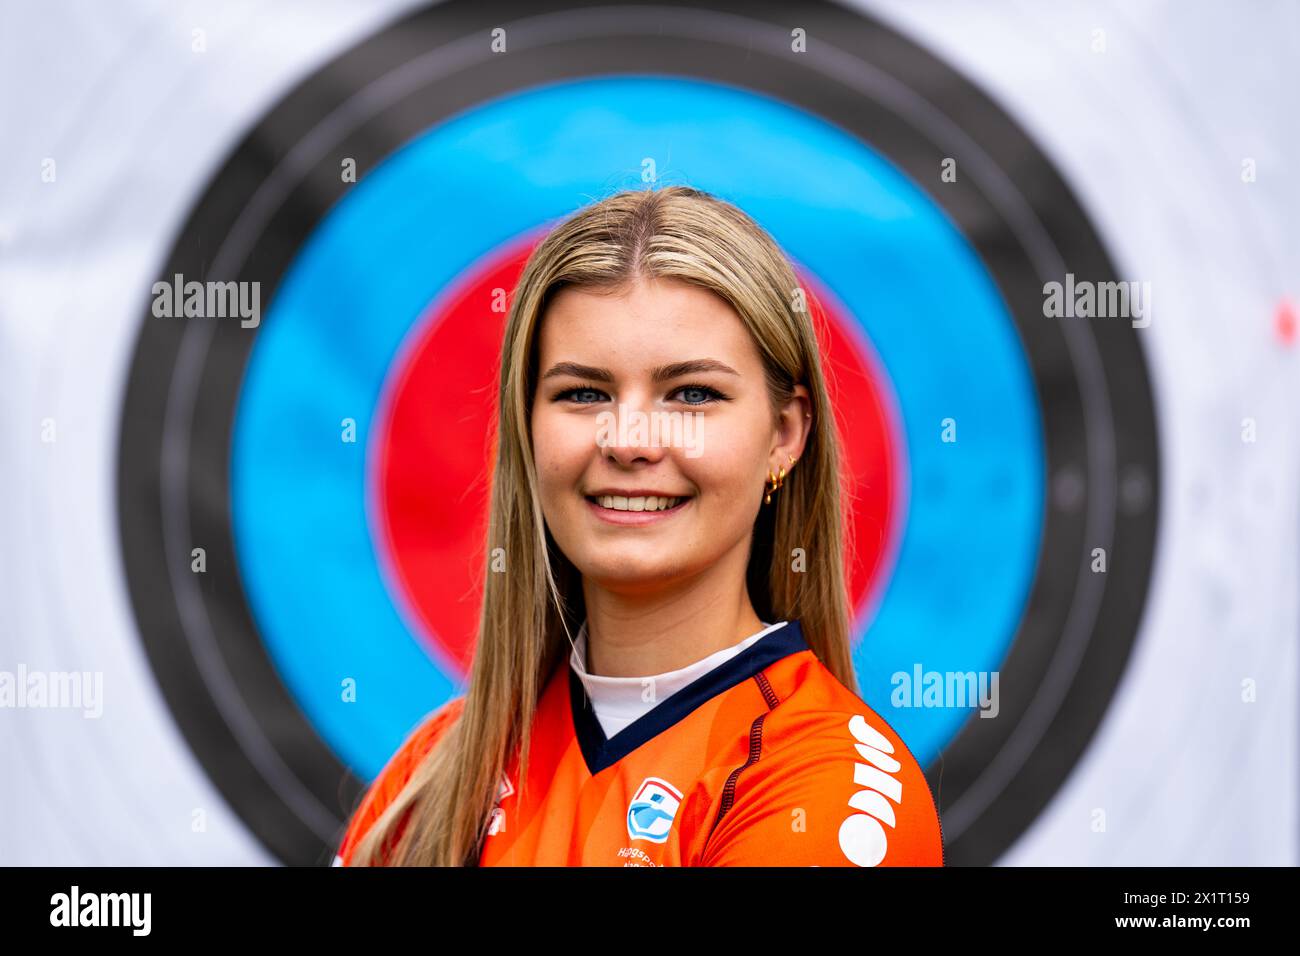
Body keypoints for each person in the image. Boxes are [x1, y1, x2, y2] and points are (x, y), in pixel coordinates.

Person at [334, 185, 944, 866]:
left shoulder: (828, 790)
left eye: (692, 395)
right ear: (525, 428)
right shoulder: (436, 772)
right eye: (584, 393)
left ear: (785, 433)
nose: (628, 440)